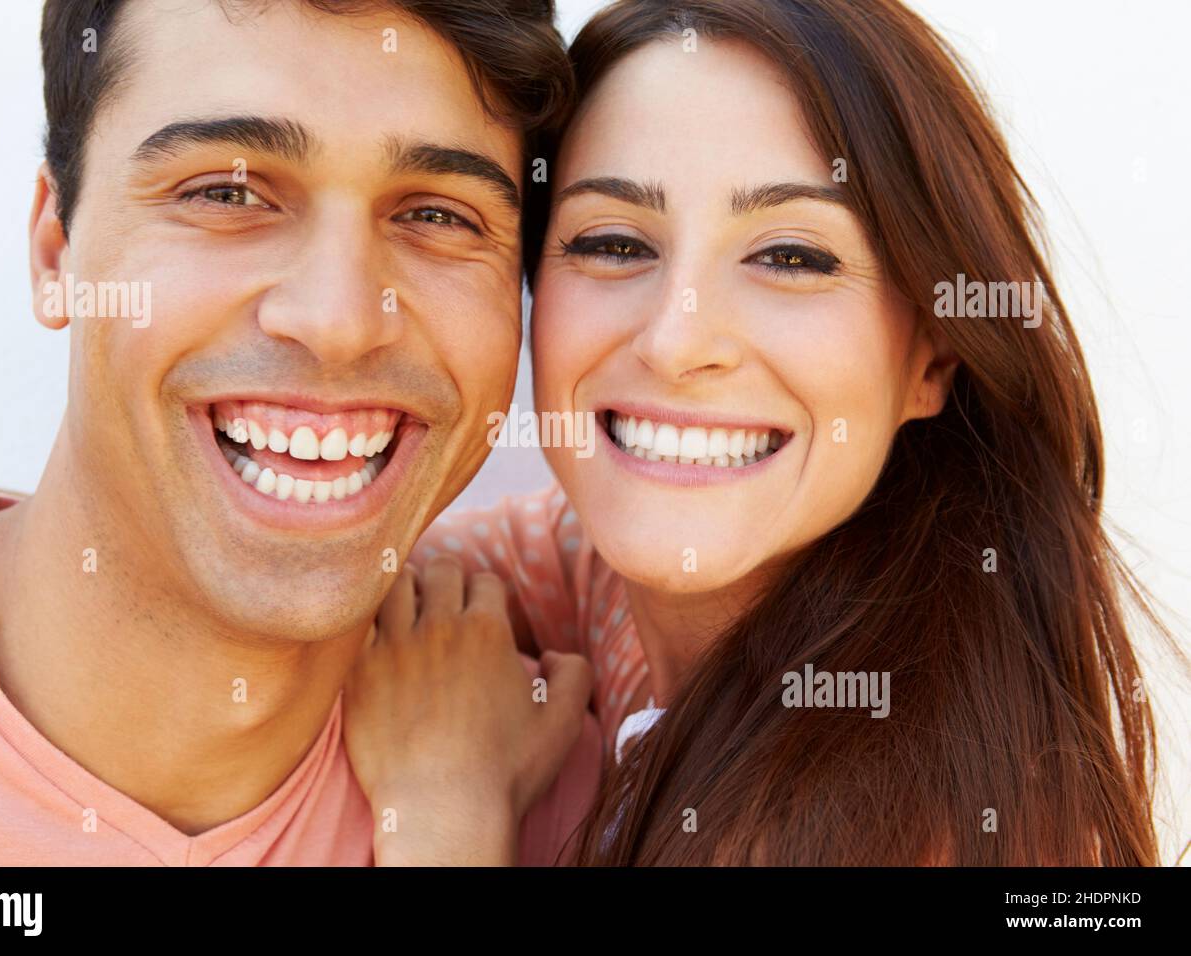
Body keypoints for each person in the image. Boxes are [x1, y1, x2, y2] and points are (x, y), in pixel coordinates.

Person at [350, 0, 1179, 865]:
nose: (677, 342)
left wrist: (444, 810)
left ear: (932, 359)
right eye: (614, 243)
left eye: (792, 257)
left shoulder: (901, 829)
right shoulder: (631, 591)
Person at [0, 0, 602, 867]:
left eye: (437, 216)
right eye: (225, 193)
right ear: (55, 249)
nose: (340, 320)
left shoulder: (579, 806)